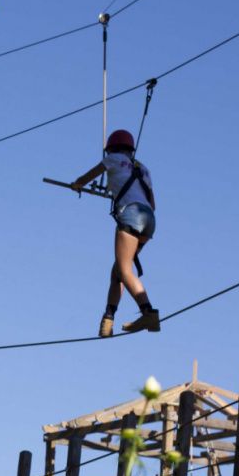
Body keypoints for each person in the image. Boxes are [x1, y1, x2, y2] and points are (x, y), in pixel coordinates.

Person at [70, 129, 160, 337]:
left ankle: (148, 312)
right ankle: (108, 320)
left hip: (131, 215)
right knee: (117, 272)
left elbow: (90, 175)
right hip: (149, 219)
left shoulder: (113, 159)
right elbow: (153, 203)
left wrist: (77, 184)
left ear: (111, 149)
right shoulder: (144, 169)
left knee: (125, 270)